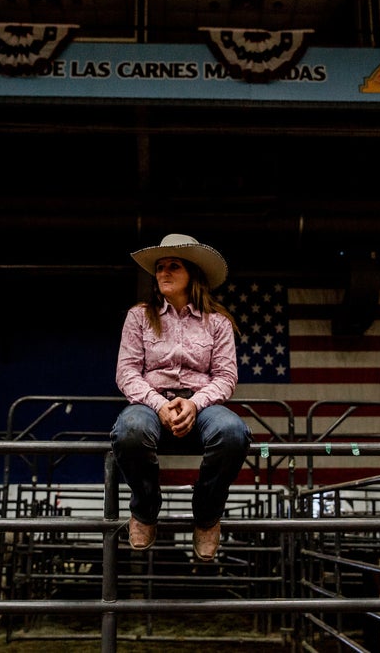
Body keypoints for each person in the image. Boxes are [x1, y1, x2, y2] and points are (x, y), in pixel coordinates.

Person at [110, 233, 252, 561]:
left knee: (232, 433)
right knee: (129, 431)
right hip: (150, 401)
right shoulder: (139, 316)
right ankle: (145, 510)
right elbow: (127, 372)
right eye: (159, 267)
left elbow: (226, 377)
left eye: (173, 265)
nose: (163, 272)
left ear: (192, 274)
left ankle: (206, 514)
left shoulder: (217, 322)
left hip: (201, 404)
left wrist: (194, 403)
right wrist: (159, 404)